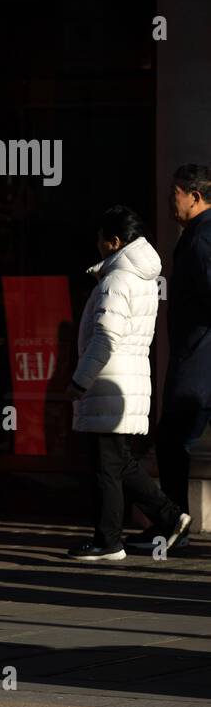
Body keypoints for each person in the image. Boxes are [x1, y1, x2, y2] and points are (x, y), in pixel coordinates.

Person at [65, 205, 191, 560]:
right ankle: (169, 517)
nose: (98, 244)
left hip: (108, 380)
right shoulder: (143, 277)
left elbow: (105, 338)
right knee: (119, 461)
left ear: (114, 241)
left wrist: (79, 381)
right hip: (128, 377)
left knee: (106, 466)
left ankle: (108, 541)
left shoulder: (116, 279)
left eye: (101, 239)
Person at [142, 164, 211, 550]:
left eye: (175, 194)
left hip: (200, 363)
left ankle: (172, 526)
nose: (172, 201)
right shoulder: (198, 235)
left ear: (194, 196)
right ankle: (171, 525)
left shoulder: (202, 239)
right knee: (173, 442)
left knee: (171, 441)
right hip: (199, 360)